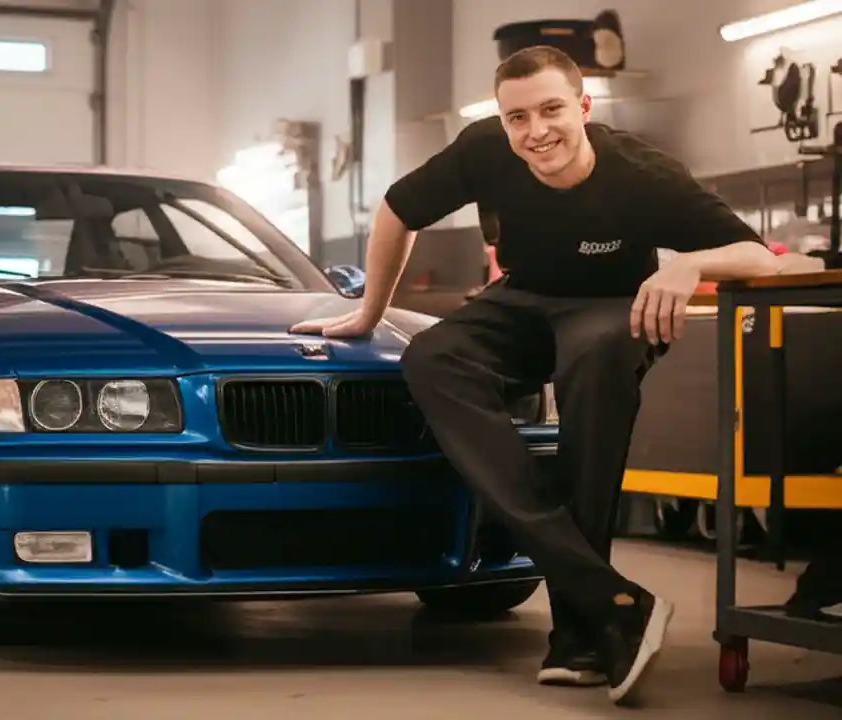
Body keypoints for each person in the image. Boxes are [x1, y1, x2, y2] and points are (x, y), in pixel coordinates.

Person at [291, 46, 808, 705]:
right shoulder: (485, 149)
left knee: (593, 371)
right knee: (431, 358)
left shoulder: (640, 172)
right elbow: (398, 209)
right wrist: (370, 313)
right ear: (502, 122)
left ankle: (578, 635)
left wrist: (688, 265)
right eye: (518, 117)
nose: (536, 131)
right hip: (522, 303)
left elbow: (759, 260)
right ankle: (611, 603)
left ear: (585, 109)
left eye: (552, 110)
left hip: (608, 314)